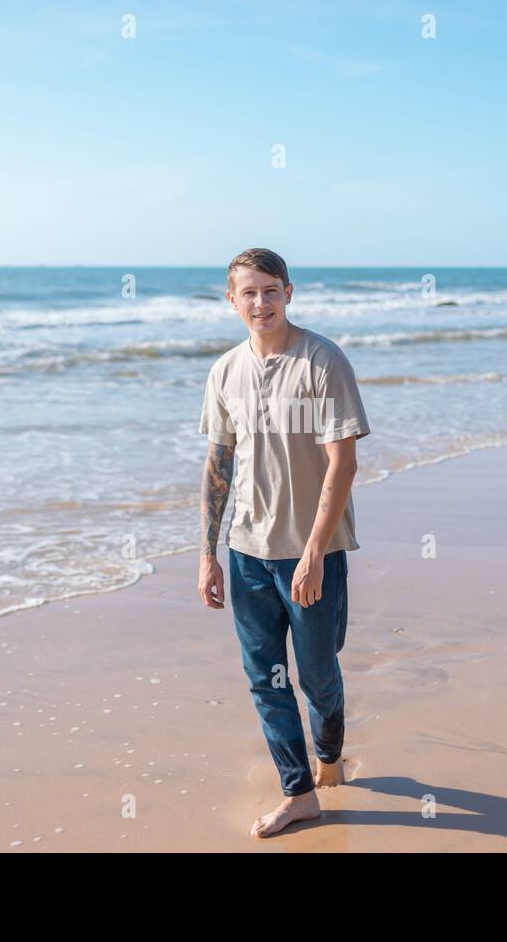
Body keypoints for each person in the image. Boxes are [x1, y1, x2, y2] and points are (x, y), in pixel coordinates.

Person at [197, 247, 371, 838]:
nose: (260, 302)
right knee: (264, 677)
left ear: (289, 292)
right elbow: (218, 462)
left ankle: (329, 755)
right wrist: (208, 553)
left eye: (270, 290)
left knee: (318, 677)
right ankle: (298, 793)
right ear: (231, 300)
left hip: (312, 551)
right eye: (248, 292)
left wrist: (317, 553)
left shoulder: (323, 361)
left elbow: (342, 463)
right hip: (247, 553)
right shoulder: (224, 370)